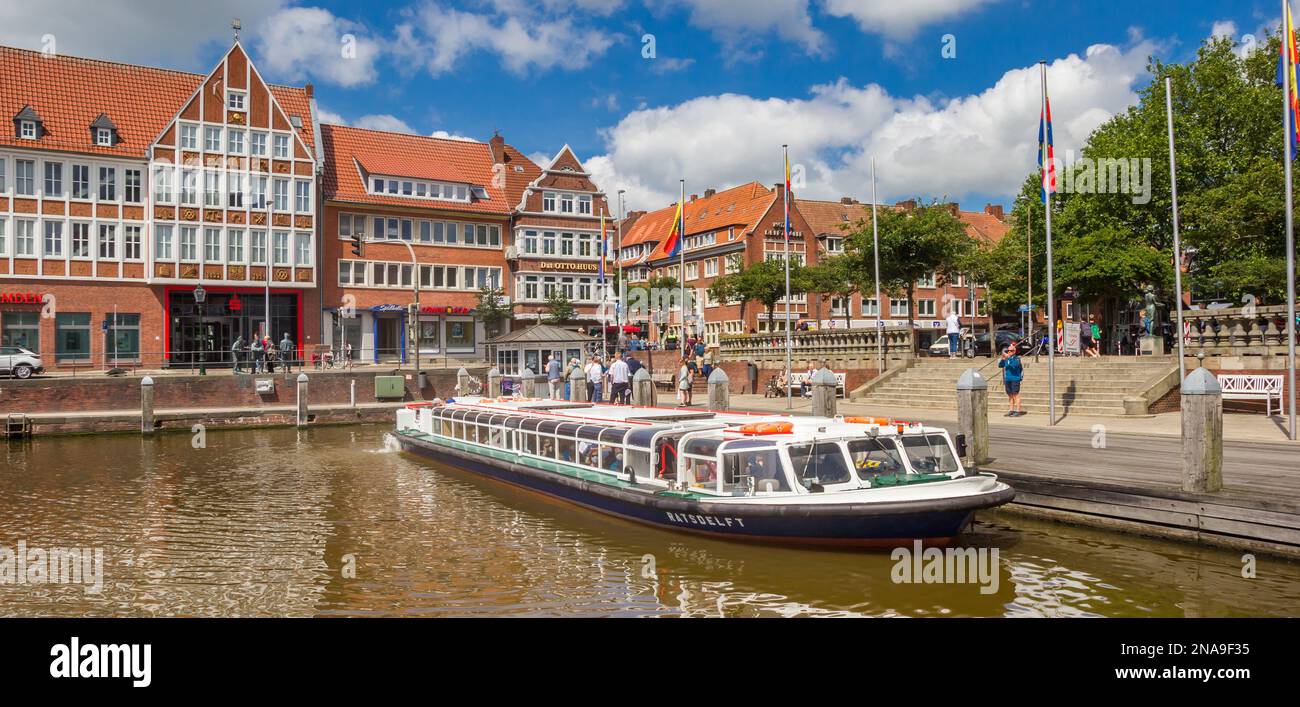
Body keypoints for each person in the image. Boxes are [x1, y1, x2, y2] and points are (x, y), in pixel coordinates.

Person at [998, 344, 1025, 417]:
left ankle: (1018, 411)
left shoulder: (1017, 359)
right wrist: (1002, 359)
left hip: (1015, 378)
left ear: (1014, 351)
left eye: (1011, 350)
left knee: (1016, 394)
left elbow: (1015, 366)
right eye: (1008, 350)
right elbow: (1000, 365)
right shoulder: (1007, 359)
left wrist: (1009, 358)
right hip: (1008, 379)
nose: (1009, 352)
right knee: (1010, 395)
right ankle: (1011, 410)